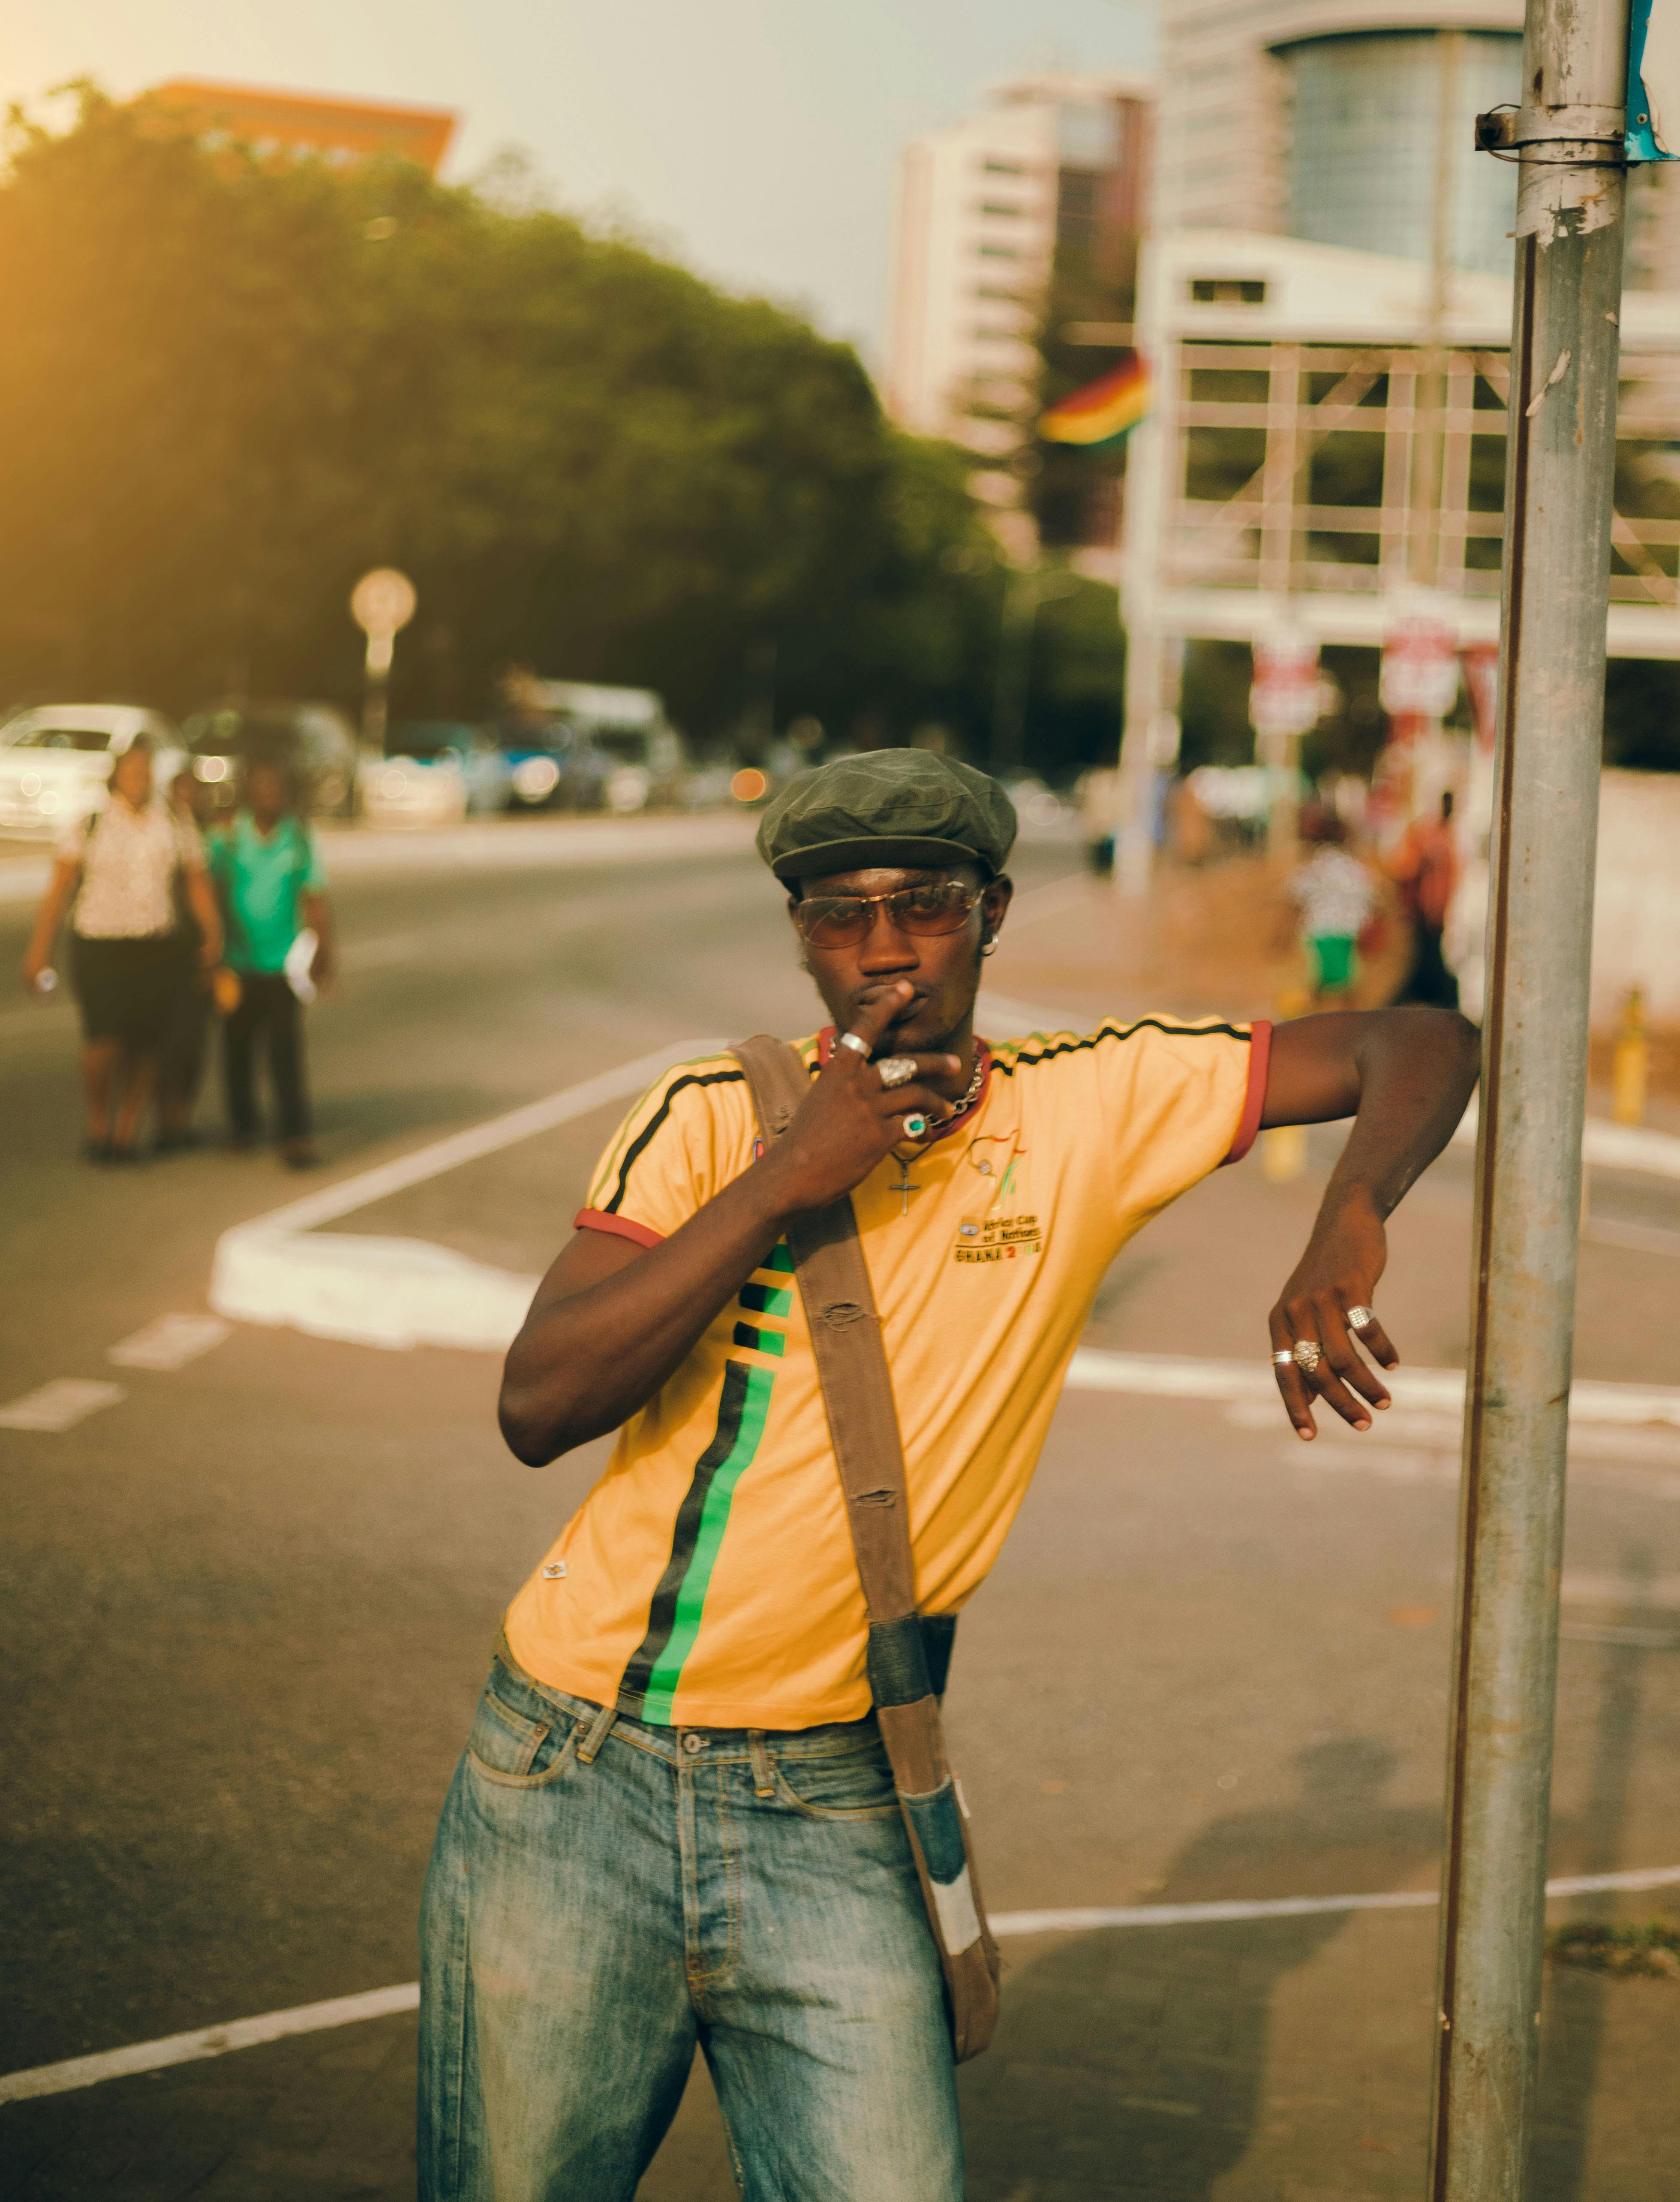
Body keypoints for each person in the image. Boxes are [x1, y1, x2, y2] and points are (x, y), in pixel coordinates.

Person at [421, 749, 1479, 2202]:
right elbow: (540, 1403)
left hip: (841, 1785)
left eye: (919, 907)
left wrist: (1350, 1214)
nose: (879, 953)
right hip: (579, 1773)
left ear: (991, 912)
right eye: (835, 915)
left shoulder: (1088, 1107)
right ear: (799, 938)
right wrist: (795, 1173)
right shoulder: (708, 1117)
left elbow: (1417, 1040)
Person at [20, 736, 222, 1162]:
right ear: (116, 776)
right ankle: (99, 1122)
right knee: (104, 1040)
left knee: (146, 1044)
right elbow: (58, 892)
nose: (138, 780)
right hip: (100, 946)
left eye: (145, 772)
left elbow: (196, 880)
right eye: (131, 772)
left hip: (155, 947)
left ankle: (127, 1128)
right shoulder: (90, 822)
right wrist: (39, 952)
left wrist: (211, 934)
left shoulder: (172, 819)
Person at [207, 758, 334, 1170]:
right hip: (236, 963)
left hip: (284, 964)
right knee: (237, 1048)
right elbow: (208, 890)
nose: (269, 796)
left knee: (285, 1050)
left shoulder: (298, 837)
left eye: (276, 788)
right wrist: (211, 950)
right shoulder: (226, 837)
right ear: (250, 793)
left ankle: (295, 1133)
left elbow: (314, 895)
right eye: (261, 788)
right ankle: (243, 1126)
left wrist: (325, 949)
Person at [155, 763, 217, 1150]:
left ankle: (180, 1117)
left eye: (196, 793)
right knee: (161, 1043)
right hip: (161, 954)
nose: (189, 801)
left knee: (192, 1041)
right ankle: (163, 1119)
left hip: (200, 953)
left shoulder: (213, 838)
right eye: (181, 793)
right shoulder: (160, 837)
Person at [1287, 809, 1377, 1009]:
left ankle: (1313, 1031)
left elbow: (1296, 899)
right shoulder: (1356, 870)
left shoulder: (1314, 868)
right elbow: (1370, 901)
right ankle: (1352, 1032)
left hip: (1319, 933)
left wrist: (1284, 934)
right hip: (1347, 933)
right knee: (1348, 989)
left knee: (1317, 989)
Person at [1386, 789, 1461, 1009]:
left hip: (1438, 915)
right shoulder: (1422, 835)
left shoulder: (1448, 837)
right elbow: (1406, 870)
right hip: (1422, 915)